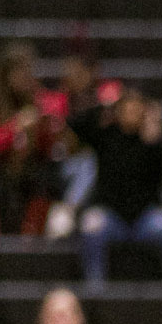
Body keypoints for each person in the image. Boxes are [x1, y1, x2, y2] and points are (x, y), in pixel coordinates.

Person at [69, 87, 162, 287]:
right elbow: (75, 125)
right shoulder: (106, 136)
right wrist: (104, 107)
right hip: (111, 216)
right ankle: (95, 289)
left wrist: (157, 141)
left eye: (137, 110)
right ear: (118, 112)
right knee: (91, 225)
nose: (131, 114)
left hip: (146, 218)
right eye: (126, 109)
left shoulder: (153, 143)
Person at [0, 41, 67, 249]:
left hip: (23, 172)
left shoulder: (35, 99)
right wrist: (15, 127)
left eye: (29, 71)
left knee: (48, 178)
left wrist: (45, 128)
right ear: (6, 73)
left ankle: (31, 242)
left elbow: (46, 148)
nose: (26, 77)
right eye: (20, 71)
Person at [47, 52, 123, 240]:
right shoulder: (59, 100)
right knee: (88, 162)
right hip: (63, 165)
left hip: (100, 167)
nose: (73, 77)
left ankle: (70, 209)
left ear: (92, 73)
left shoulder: (105, 97)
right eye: (70, 72)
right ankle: (69, 209)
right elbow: (64, 142)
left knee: (91, 161)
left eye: (79, 72)